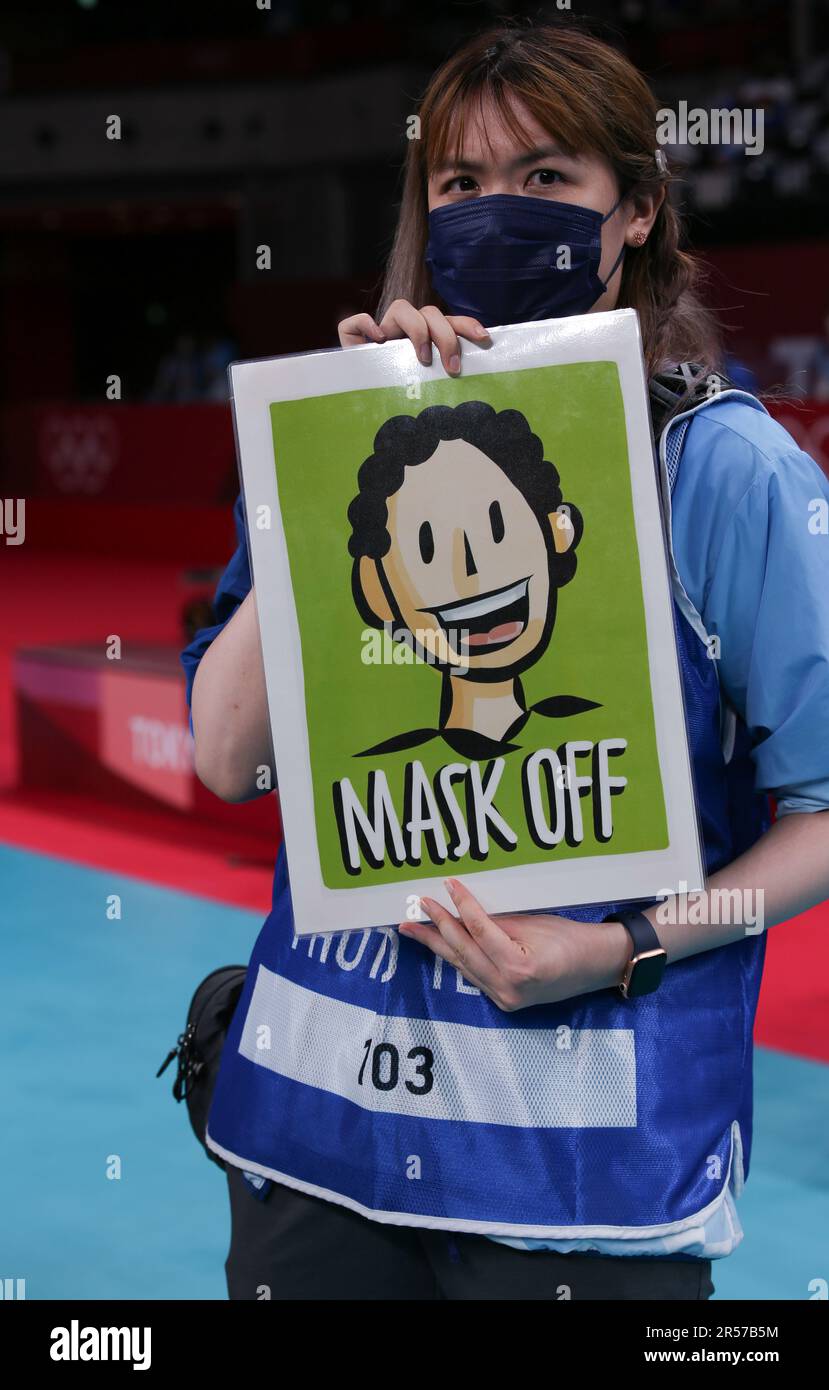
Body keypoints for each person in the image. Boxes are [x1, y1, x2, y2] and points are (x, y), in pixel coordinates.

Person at [181, 21, 829, 1301]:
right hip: (320, 1144)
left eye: (546, 180)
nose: (495, 213)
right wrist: (351, 423)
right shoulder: (346, 437)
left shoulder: (729, 472)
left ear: (635, 207)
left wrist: (617, 945)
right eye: (460, 187)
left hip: (580, 1190)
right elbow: (220, 756)